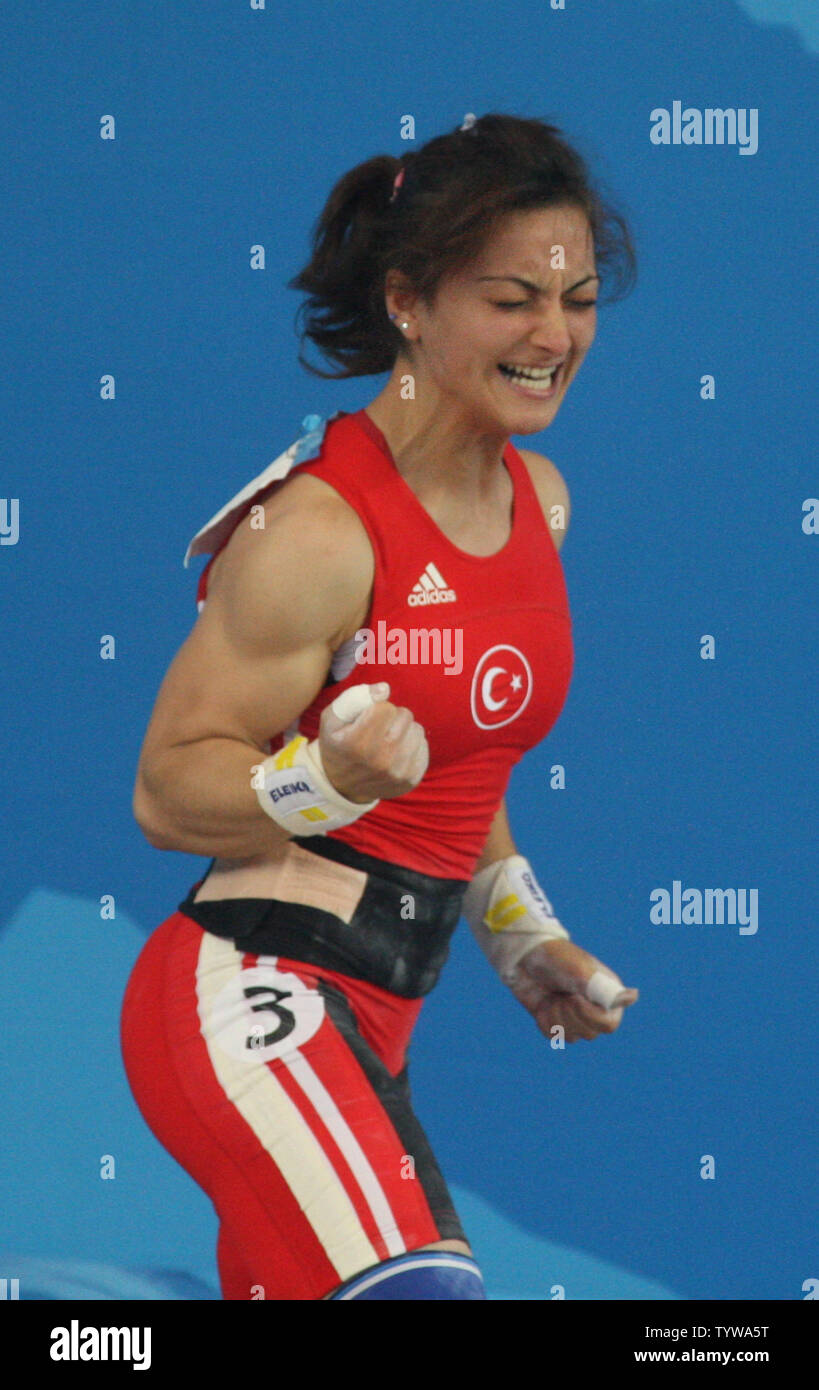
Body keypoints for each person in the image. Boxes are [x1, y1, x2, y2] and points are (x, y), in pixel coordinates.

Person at [120, 112, 639, 1302]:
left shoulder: (538, 500)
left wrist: (519, 933)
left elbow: (467, 766)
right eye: (513, 298)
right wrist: (319, 782)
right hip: (249, 988)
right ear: (409, 301)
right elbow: (165, 786)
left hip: (380, 1017)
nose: (554, 335)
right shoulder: (318, 530)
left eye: (581, 298)